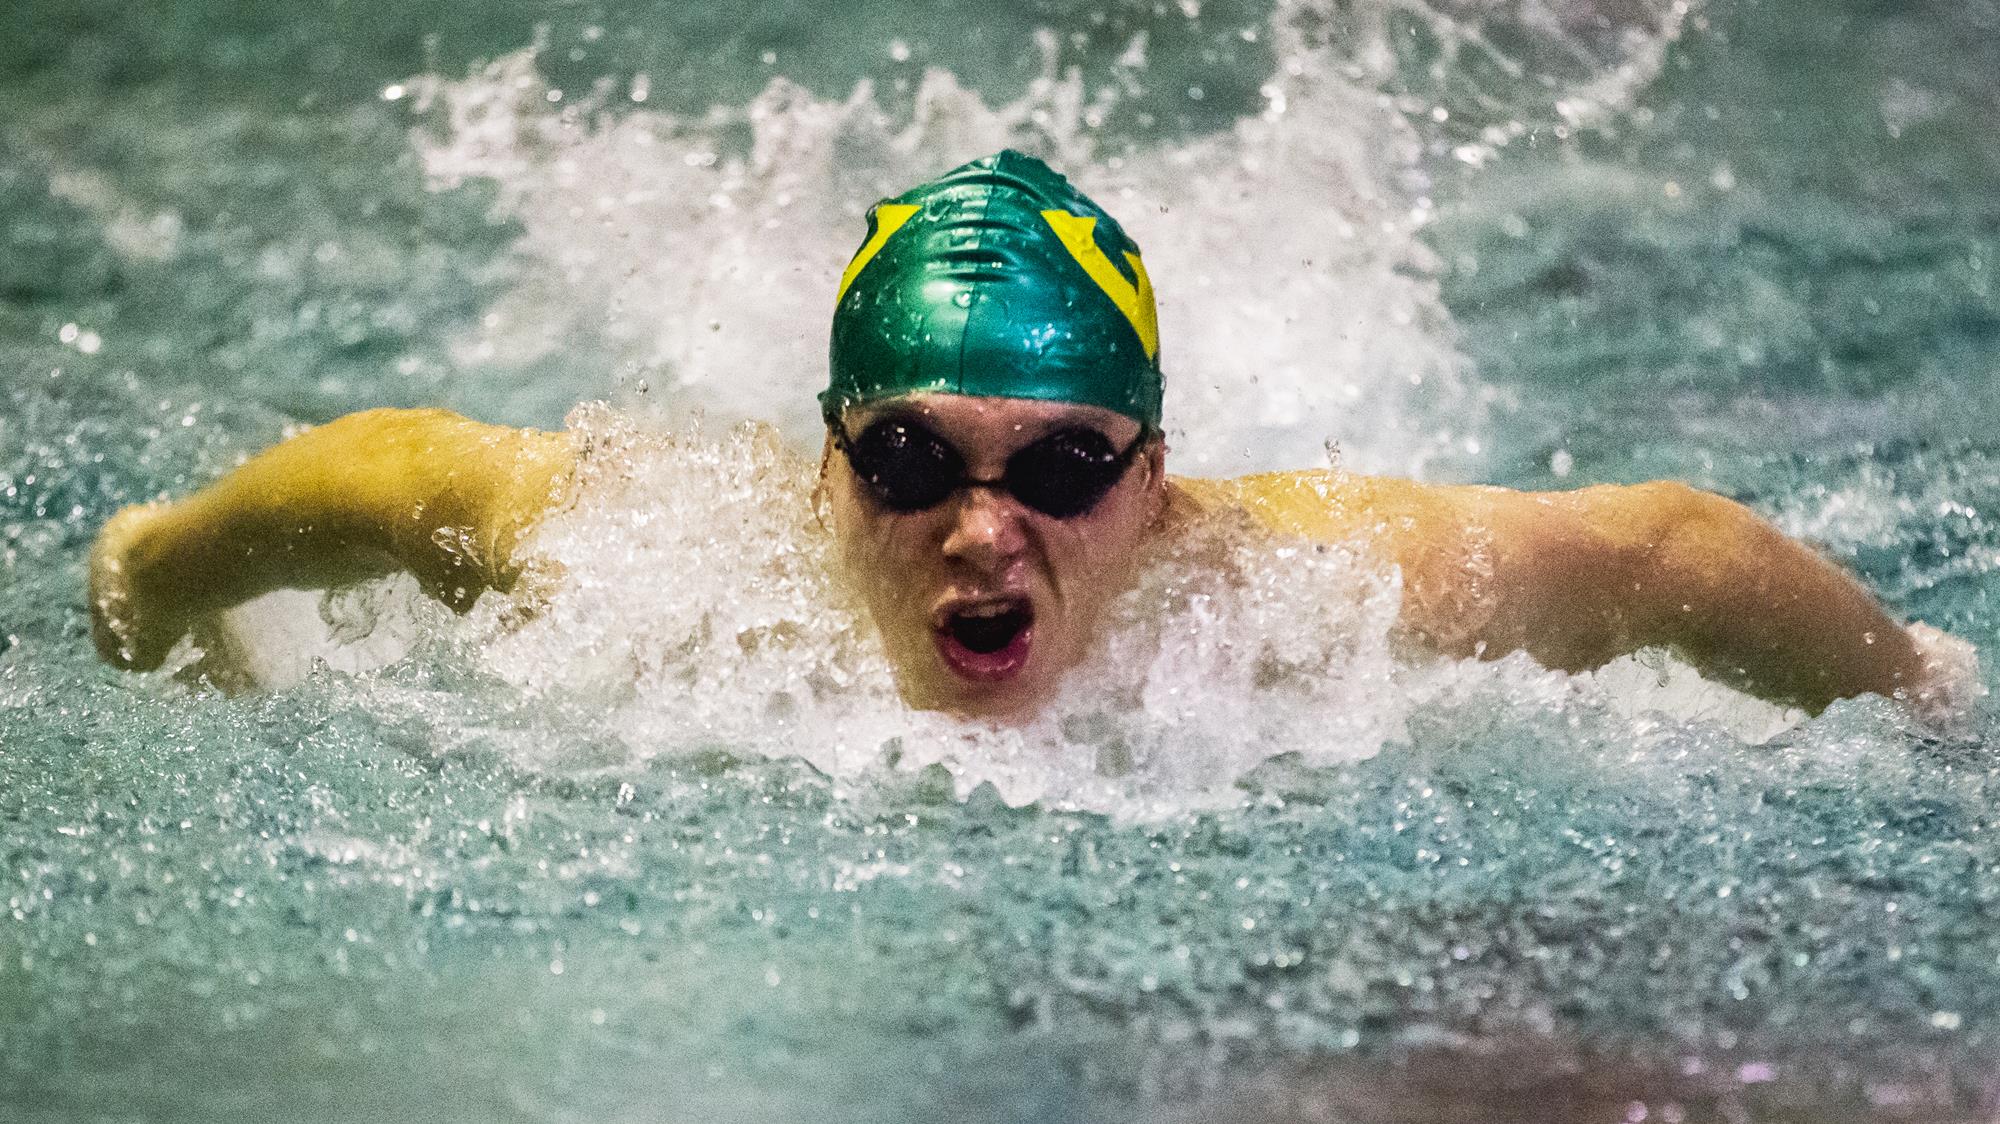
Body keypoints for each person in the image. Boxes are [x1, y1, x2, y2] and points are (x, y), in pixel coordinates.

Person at [88, 151, 1967, 721]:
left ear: (1155, 480)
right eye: (913, 460)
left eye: (1063, 467)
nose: (984, 531)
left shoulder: (1296, 597)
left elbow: (1672, 551)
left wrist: (1937, 710)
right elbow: (390, 471)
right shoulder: (654, 564)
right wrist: (156, 575)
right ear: (830, 463)